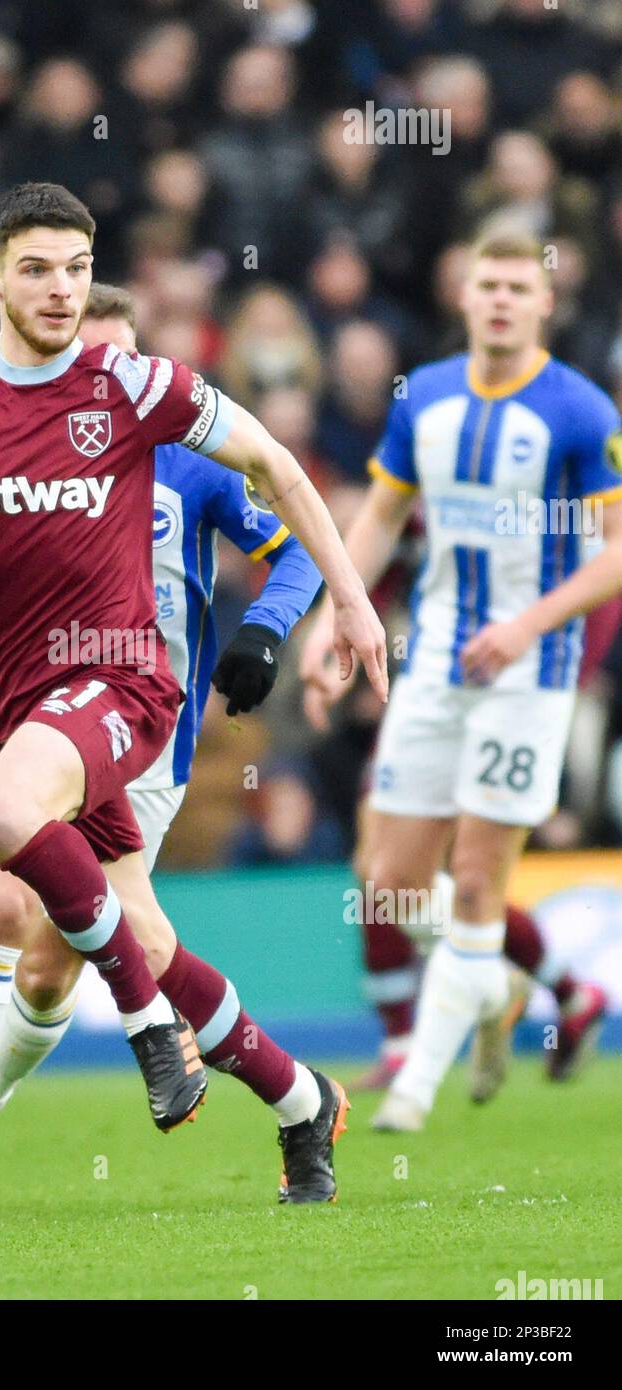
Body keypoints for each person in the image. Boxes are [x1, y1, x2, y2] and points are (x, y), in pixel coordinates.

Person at [0, 182, 386, 1204]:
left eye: (77, 272)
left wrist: (331, 609)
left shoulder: (144, 403)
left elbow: (280, 472)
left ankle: (16, 1093)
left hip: (131, 701)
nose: (62, 295)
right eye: (38, 270)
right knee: (104, 941)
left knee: (6, 848)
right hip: (16, 708)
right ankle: (299, 1096)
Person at [300, 231, 622, 1132]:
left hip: (530, 673)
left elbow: (615, 554)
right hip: (432, 666)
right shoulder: (426, 397)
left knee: (477, 879)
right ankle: (492, 988)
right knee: (390, 881)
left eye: (518, 288)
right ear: (464, 295)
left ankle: (414, 1087)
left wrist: (525, 623)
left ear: (543, 303)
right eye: (487, 286)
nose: (501, 302)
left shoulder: (581, 412)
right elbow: (379, 518)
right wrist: (335, 616)